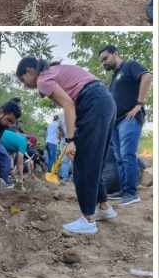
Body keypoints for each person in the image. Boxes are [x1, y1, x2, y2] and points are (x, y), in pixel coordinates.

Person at [16, 57, 117, 234]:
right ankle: (104, 207)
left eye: (23, 80)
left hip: (93, 103)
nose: (25, 86)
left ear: (29, 71)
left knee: (83, 163)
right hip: (106, 101)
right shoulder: (55, 71)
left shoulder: (42, 79)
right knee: (96, 161)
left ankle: (87, 219)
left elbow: (68, 105)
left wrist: (70, 141)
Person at [99, 45, 153, 206]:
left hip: (129, 118)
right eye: (102, 61)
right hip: (115, 122)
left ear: (115, 54)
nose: (103, 63)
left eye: (105, 59)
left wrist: (139, 104)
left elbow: (147, 76)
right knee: (119, 158)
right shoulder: (114, 78)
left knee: (127, 155)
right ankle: (124, 190)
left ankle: (131, 193)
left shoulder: (130, 66)